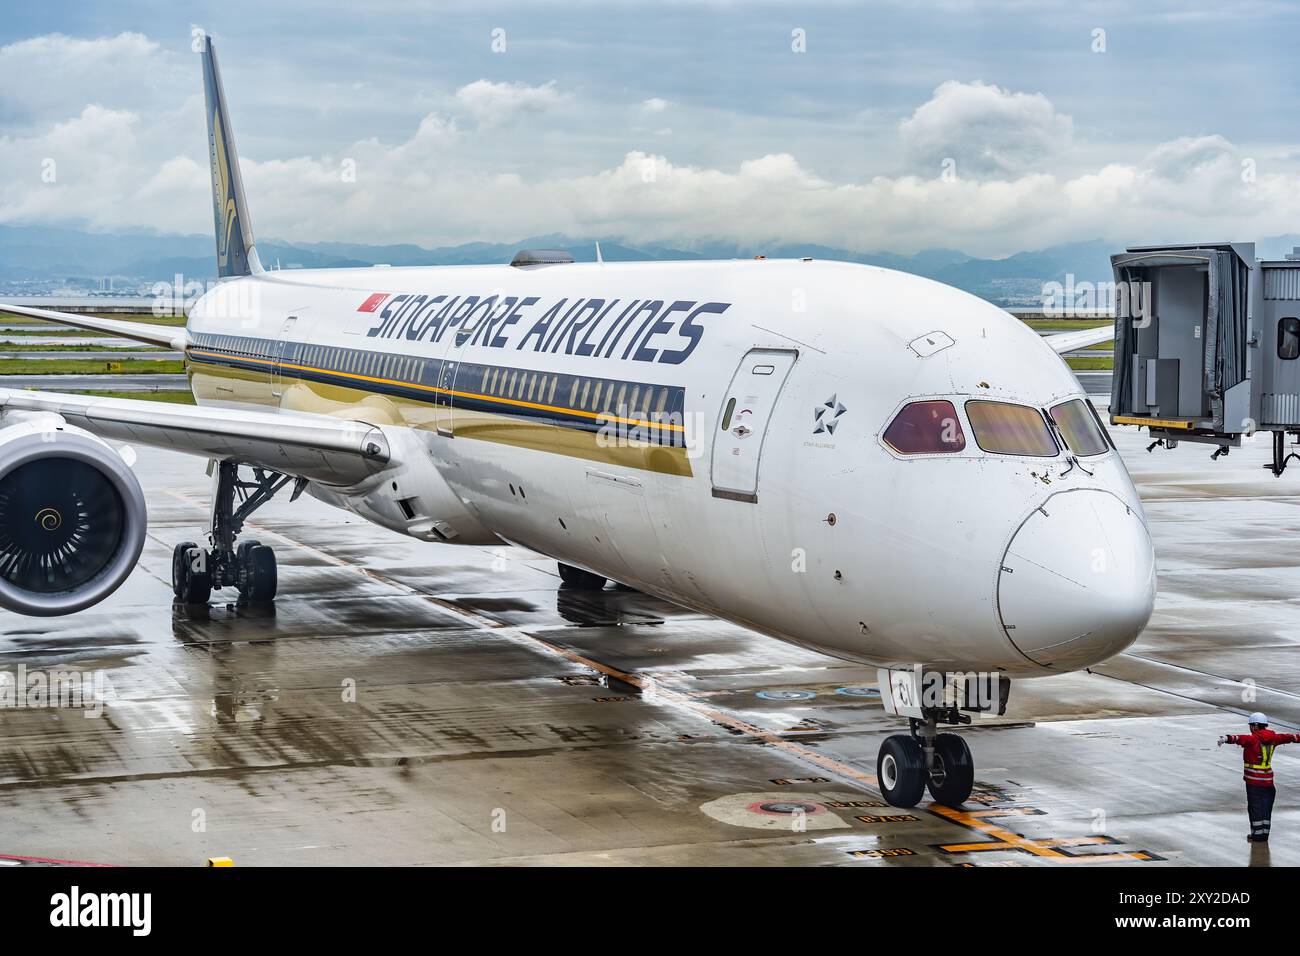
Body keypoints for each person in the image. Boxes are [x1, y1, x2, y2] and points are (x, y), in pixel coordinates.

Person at [1219, 712, 1300, 842]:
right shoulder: (1275, 738)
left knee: (1255, 809)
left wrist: (1226, 738)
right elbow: (1291, 737)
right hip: (1268, 783)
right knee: (1266, 810)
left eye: (1251, 725)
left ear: (1255, 726)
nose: (1250, 728)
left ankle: (1257, 836)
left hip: (1254, 783)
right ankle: (1264, 835)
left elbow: (1239, 738)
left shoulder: (1252, 739)